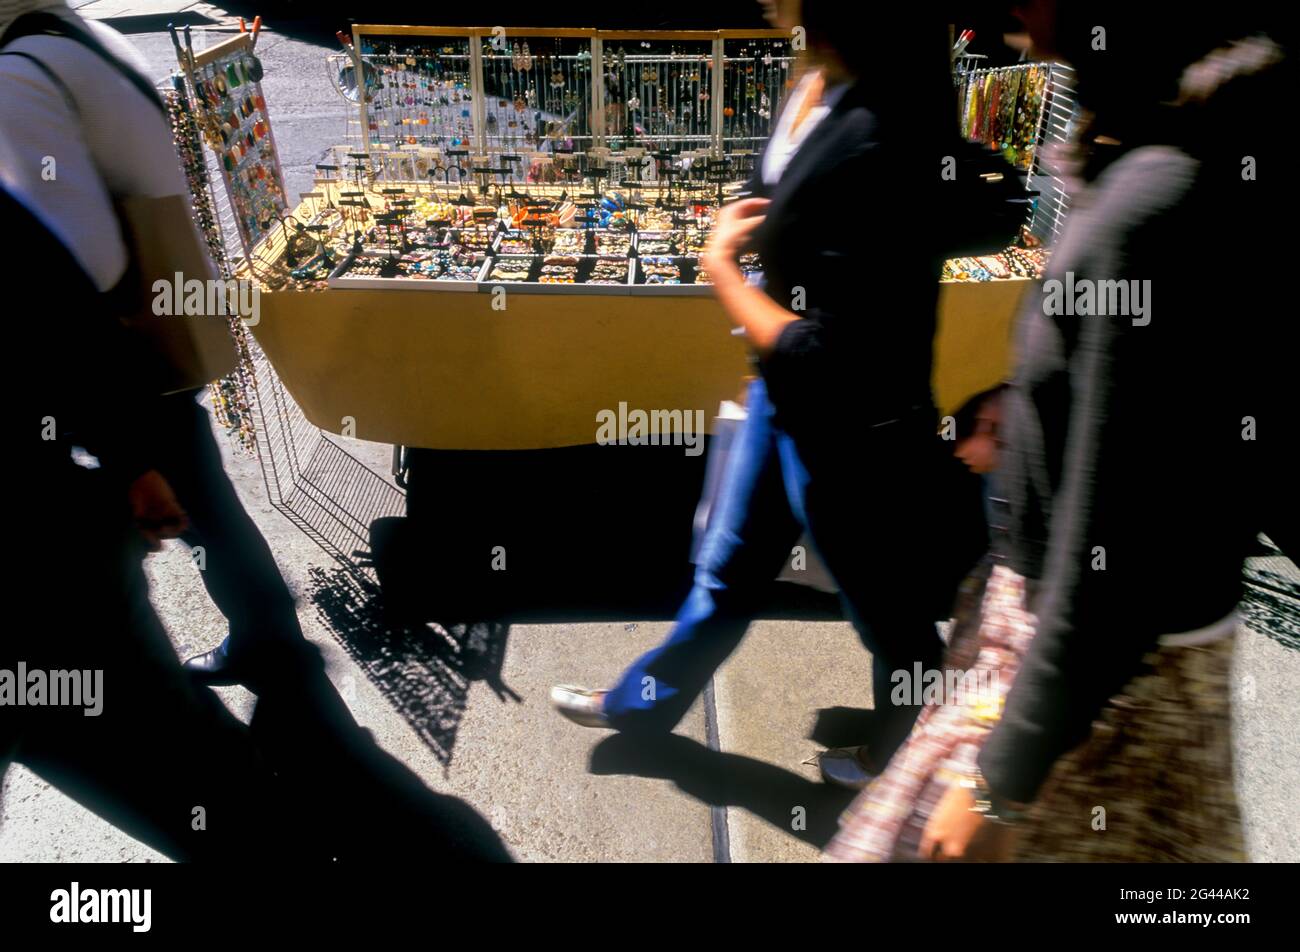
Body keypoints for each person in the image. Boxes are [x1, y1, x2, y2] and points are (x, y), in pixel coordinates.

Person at [824, 1, 1292, 862]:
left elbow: (1118, 545)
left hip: (1100, 697)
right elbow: (1148, 415)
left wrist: (1002, 776)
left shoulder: (1148, 205)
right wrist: (1032, 406)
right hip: (1085, 668)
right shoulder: (1152, 176)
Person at [553, 0, 1017, 784]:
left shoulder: (884, 132)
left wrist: (724, 273)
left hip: (854, 429)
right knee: (727, 572)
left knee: (890, 620)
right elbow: (780, 204)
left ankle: (913, 756)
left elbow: (828, 349)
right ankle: (642, 702)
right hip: (785, 400)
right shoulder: (813, 78)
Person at [0, 0, 305, 691]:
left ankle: (262, 652)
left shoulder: (15, 79)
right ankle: (269, 637)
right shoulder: (86, 40)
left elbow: (87, 259)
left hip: (126, 350)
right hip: (165, 315)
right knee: (205, 500)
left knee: (184, 503)